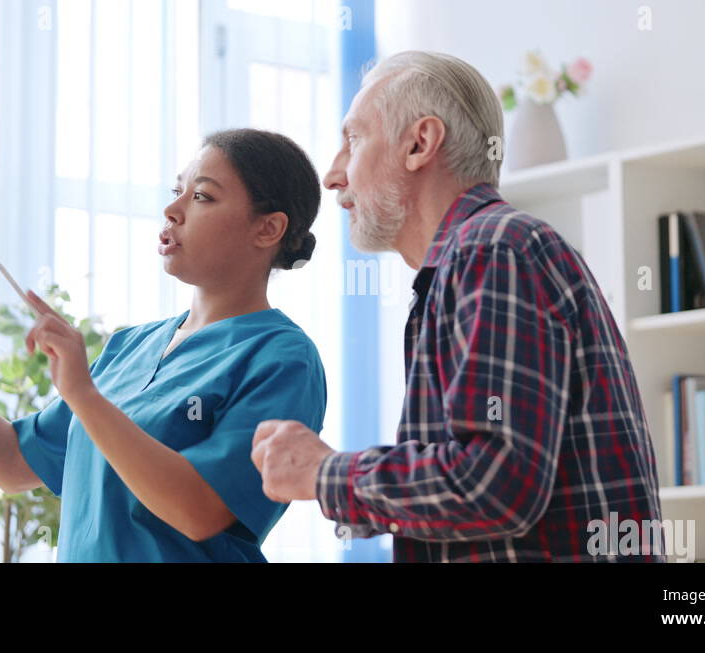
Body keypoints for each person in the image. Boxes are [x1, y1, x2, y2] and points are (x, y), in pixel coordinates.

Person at [250, 51, 665, 562]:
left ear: (419, 144)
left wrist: (323, 473)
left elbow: (495, 485)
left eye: (353, 140)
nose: (334, 176)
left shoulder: (494, 250)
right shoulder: (475, 260)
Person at [0, 127, 328, 562]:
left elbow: (200, 510)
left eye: (202, 196)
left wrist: (83, 395)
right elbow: (9, 460)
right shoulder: (130, 347)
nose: (173, 209)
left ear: (267, 229)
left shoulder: (282, 358)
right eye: (176, 192)